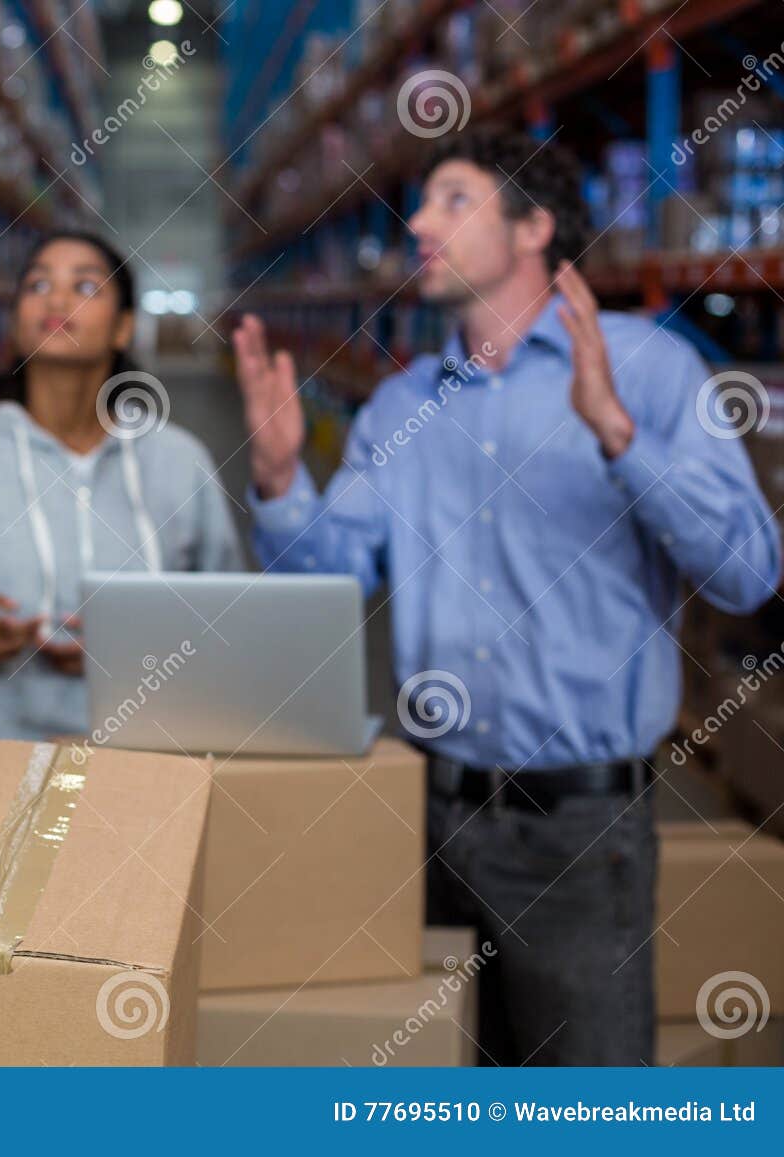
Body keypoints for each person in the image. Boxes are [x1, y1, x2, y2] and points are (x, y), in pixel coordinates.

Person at [235, 128, 780, 1066]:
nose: (417, 225)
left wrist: (618, 435)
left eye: (453, 200)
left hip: (578, 834)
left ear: (533, 227)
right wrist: (282, 482)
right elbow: (328, 586)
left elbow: (748, 571)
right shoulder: (401, 409)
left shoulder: (644, 369)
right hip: (432, 817)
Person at [0, 232, 244, 740]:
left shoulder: (179, 462)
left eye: (85, 286)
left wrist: (143, 648)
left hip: (158, 758)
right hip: (2, 763)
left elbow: (237, 632)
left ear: (124, 326)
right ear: (16, 321)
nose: (57, 300)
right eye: (38, 284)